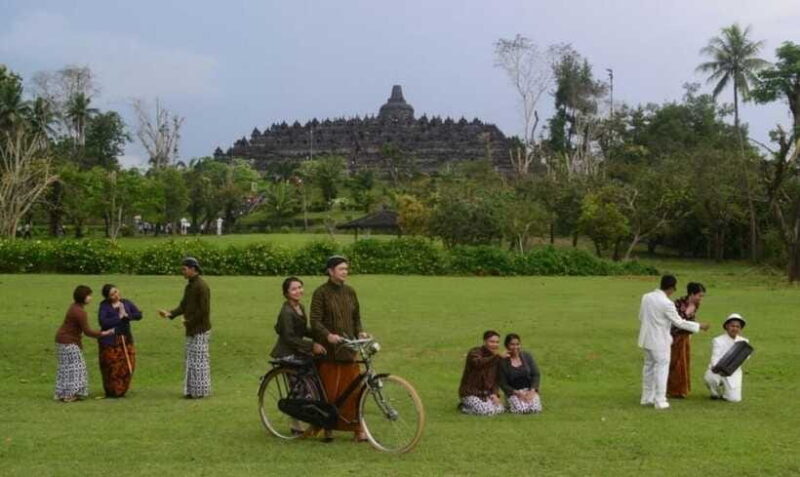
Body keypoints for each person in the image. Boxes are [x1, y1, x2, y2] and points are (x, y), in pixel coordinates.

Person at [310, 256, 368, 442]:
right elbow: (315, 321)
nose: (345, 272)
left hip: (349, 349)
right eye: (341, 269)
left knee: (354, 391)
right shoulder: (321, 293)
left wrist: (360, 332)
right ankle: (328, 427)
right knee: (330, 391)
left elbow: (356, 317)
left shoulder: (350, 292)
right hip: (330, 352)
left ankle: (357, 429)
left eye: (346, 269)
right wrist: (328, 335)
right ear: (330, 271)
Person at [638, 275, 710, 410]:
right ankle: (660, 400)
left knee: (648, 367)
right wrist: (699, 326)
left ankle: (646, 397)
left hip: (646, 338)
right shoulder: (667, 303)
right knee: (661, 368)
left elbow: (641, 316)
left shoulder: (646, 297)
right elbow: (679, 322)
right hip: (660, 340)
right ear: (671, 288)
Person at [158, 257, 212, 399]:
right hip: (192, 328)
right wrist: (170, 314)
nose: (183, 271)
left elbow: (204, 311)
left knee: (199, 362)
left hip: (200, 329)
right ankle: (192, 390)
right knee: (191, 360)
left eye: (184, 269)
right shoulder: (190, 286)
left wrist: (189, 321)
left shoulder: (202, 286)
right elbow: (184, 306)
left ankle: (200, 391)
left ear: (193, 269)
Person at [54, 286, 114, 402]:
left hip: (62, 340)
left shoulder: (74, 307)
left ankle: (65, 393)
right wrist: (104, 333)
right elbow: (88, 332)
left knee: (66, 368)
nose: (91, 298)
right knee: (77, 368)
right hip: (68, 341)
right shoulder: (80, 312)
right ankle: (70, 395)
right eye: (89, 295)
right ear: (84, 297)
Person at [98, 284, 143, 398]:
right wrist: (119, 318)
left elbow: (138, 314)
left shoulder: (126, 303)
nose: (116, 295)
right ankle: (112, 391)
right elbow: (103, 322)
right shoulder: (104, 306)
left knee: (128, 365)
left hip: (126, 338)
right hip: (110, 340)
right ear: (108, 297)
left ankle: (122, 389)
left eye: (116, 292)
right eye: (112, 294)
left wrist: (128, 316)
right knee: (112, 366)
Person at [270, 277, 326, 359]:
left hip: (297, 348)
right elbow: (289, 337)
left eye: (300, 288)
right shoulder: (286, 312)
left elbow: (301, 329)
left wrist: (322, 333)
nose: (298, 291)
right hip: (286, 353)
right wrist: (312, 346)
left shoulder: (300, 307)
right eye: (293, 289)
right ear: (286, 293)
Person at [667, 282, 706, 398]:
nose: (701, 298)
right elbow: (677, 321)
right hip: (674, 336)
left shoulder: (696, 304)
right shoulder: (677, 304)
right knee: (675, 363)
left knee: (683, 363)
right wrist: (698, 324)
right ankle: (672, 389)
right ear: (692, 294)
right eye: (699, 295)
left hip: (685, 336)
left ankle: (680, 390)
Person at [458, 330, 505, 416]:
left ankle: (480, 405)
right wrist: (496, 357)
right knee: (487, 411)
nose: (495, 345)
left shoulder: (497, 358)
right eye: (492, 342)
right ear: (484, 342)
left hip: (487, 394)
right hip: (470, 393)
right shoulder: (474, 352)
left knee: (500, 409)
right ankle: (464, 407)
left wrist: (494, 394)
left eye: (497, 342)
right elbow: (478, 363)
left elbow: (497, 380)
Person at [705, 314, 749, 402]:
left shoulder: (744, 342)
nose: (735, 328)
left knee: (735, 399)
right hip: (717, 369)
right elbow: (715, 357)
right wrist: (717, 368)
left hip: (733, 372)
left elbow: (745, 357)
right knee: (711, 378)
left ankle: (726, 393)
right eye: (732, 326)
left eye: (737, 326)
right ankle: (715, 393)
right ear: (727, 326)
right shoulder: (718, 340)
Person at [498, 333, 542, 414]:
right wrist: (518, 393)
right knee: (522, 410)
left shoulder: (527, 356)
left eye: (517, 344)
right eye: (512, 344)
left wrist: (532, 390)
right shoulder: (502, 362)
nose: (515, 347)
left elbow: (536, 374)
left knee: (535, 409)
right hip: (514, 392)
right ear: (506, 346)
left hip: (529, 390)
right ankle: (509, 405)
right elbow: (503, 384)